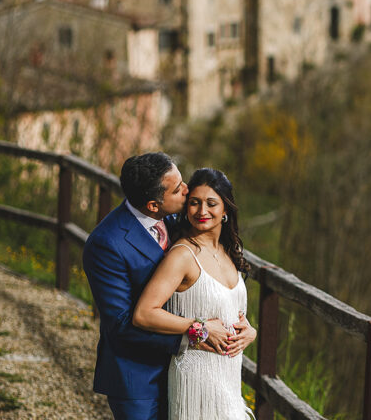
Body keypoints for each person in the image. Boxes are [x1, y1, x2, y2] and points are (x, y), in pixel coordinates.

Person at [83, 153, 255, 420]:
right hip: (139, 377)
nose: (187, 191)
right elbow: (121, 324)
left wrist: (244, 327)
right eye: (178, 189)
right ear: (153, 205)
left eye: (182, 181)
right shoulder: (106, 244)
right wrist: (196, 334)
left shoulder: (177, 220)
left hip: (194, 371)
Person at [134, 167, 257, 420]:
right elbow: (144, 314)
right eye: (194, 203)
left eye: (212, 203)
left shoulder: (227, 252)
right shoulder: (182, 255)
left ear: (225, 210)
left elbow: (228, 310)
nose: (202, 211)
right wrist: (200, 327)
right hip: (195, 375)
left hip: (228, 377)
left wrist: (250, 331)